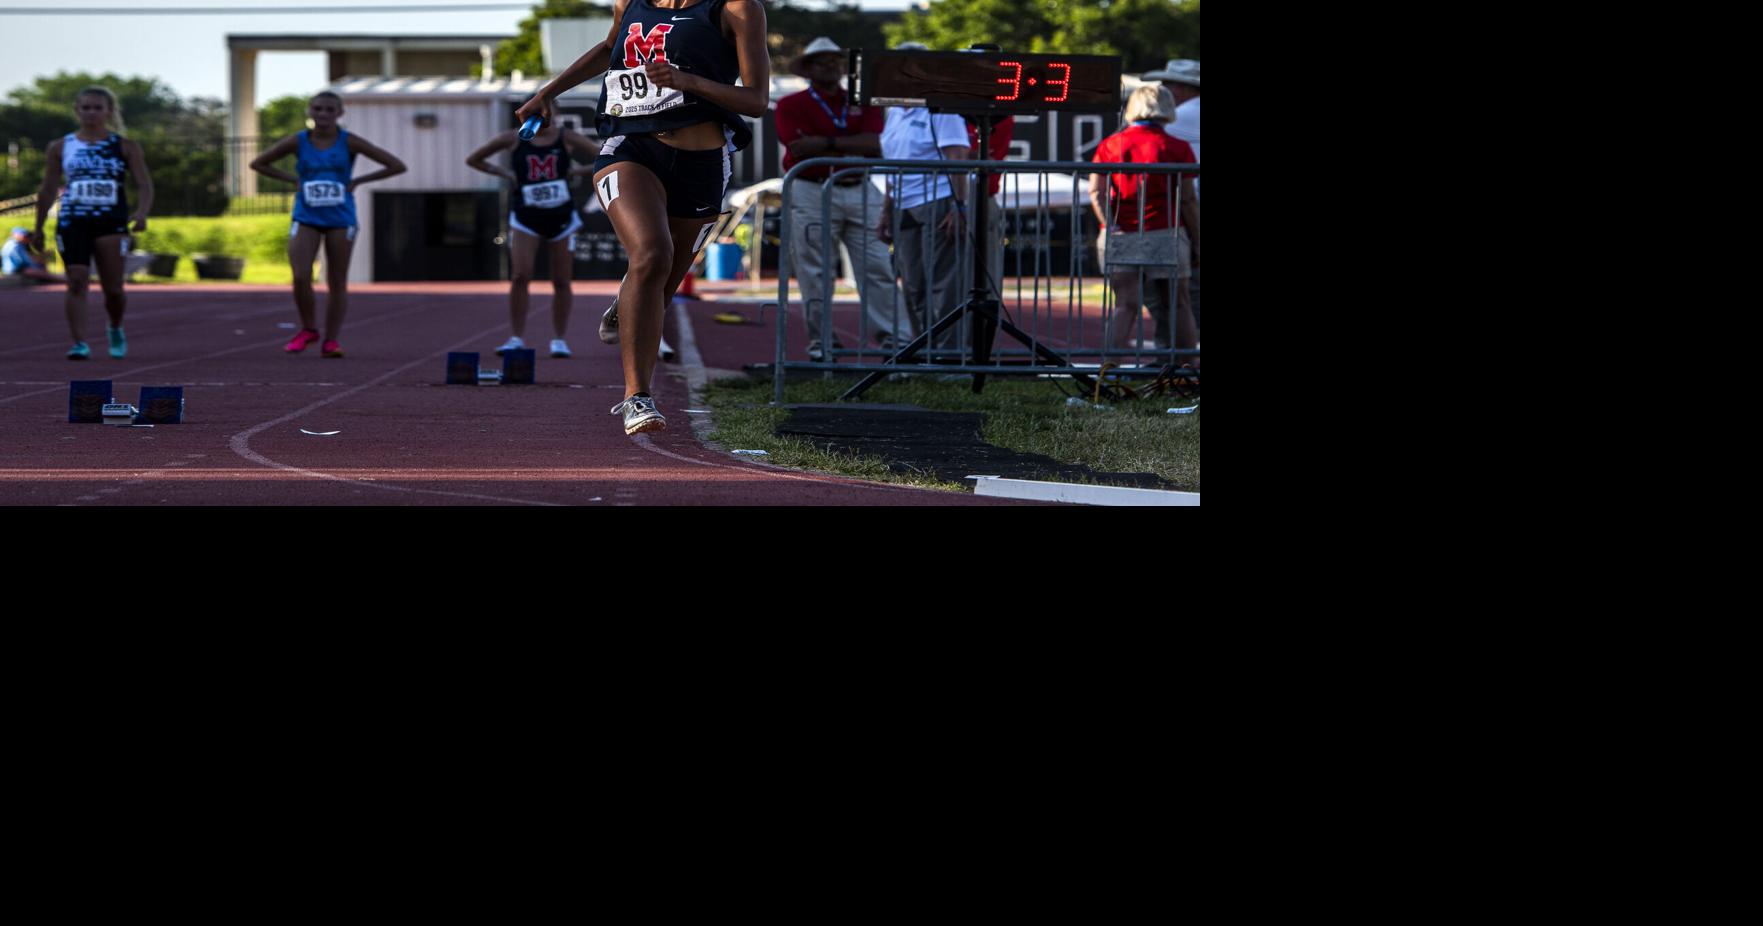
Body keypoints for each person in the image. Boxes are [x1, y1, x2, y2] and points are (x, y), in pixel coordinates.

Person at [516, 0, 770, 436]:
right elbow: (608, 47)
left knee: (662, 282)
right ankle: (638, 396)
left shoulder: (736, 7)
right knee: (651, 255)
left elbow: (756, 100)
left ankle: (628, 299)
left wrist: (687, 81)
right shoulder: (629, 3)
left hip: (704, 161)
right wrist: (548, 92)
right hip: (631, 145)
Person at [775, 36, 906, 360]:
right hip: (812, 188)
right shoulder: (791, 104)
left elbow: (877, 143)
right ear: (807, 69)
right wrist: (849, 143)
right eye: (822, 61)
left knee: (878, 265)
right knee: (815, 270)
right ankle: (823, 341)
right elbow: (797, 146)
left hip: (859, 186)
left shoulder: (863, 101)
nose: (830, 66)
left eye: (834, 60)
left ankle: (895, 339)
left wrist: (825, 143)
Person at [249, 91, 406, 358]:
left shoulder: (348, 141)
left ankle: (331, 340)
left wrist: (357, 181)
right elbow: (258, 163)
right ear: (309, 111)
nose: (323, 115)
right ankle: (309, 328)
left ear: (339, 113)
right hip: (306, 215)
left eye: (329, 110)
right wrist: (293, 180)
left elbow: (395, 165)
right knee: (300, 275)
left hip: (340, 217)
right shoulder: (299, 141)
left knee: (336, 279)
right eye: (318, 109)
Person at [31, 86, 153, 359]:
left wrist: (142, 213)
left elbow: (144, 185)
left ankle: (115, 326)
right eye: (85, 107)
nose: (91, 113)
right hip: (73, 219)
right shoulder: (61, 146)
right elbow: (48, 189)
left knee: (113, 289)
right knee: (76, 279)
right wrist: (38, 227)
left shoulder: (125, 146)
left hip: (111, 221)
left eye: (97, 108)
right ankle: (80, 342)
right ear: (77, 110)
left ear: (109, 112)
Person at [466, 122, 601, 358]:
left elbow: (605, 156)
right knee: (520, 275)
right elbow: (474, 159)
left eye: (547, 113)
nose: (541, 119)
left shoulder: (566, 137)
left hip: (561, 216)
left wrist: (576, 171)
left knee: (561, 279)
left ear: (554, 114)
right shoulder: (512, 138)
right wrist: (505, 173)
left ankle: (559, 339)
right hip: (525, 215)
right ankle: (516, 337)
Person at [1089, 84, 1200, 365]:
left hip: (1121, 232)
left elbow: (1096, 192)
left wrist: (1108, 224)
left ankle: (1108, 371)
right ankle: (1189, 369)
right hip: (1166, 232)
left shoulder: (1110, 144)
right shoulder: (1176, 147)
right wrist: (1198, 239)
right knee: (1178, 303)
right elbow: (1187, 200)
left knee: (1125, 305)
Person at [877, 43, 972, 357]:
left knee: (944, 284)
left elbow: (958, 156)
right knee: (914, 283)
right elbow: (894, 164)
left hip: (938, 200)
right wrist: (886, 211)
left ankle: (949, 355)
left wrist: (959, 206)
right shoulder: (893, 110)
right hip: (904, 203)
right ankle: (925, 350)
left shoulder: (941, 107)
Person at [1140, 58, 1200, 341]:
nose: (1161, 90)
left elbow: (1135, 138)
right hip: (1184, 212)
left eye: (1166, 85)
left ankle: (1174, 360)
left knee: (1170, 297)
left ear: (1181, 88)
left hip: (1180, 216)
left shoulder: (1182, 117)